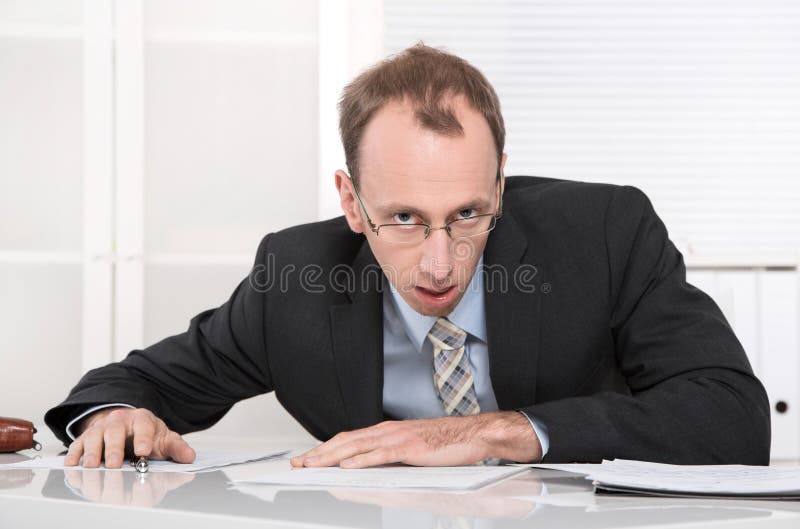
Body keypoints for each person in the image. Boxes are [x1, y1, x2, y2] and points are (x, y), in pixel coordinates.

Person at [45, 44, 770, 469]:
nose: (439, 264)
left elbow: (734, 415)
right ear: (351, 201)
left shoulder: (605, 233)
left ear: (499, 182)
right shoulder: (294, 277)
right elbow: (128, 384)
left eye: (468, 215)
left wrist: (494, 431)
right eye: (402, 219)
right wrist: (115, 417)